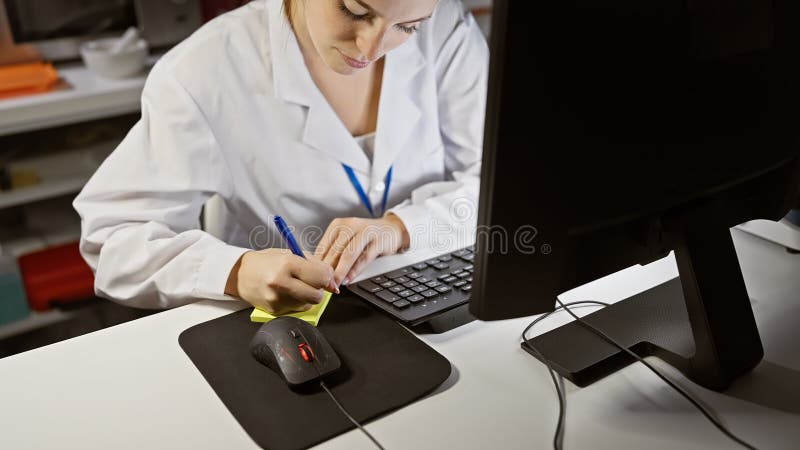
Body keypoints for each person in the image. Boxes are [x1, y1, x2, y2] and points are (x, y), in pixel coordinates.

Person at [73, 0, 488, 315]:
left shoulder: (447, 30)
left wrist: (399, 229)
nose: (373, 47)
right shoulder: (204, 70)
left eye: (407, 27)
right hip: (287, 321)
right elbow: (114, 239)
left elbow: (500, 183)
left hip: (427, 294)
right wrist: (235, 271)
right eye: (354, 11)